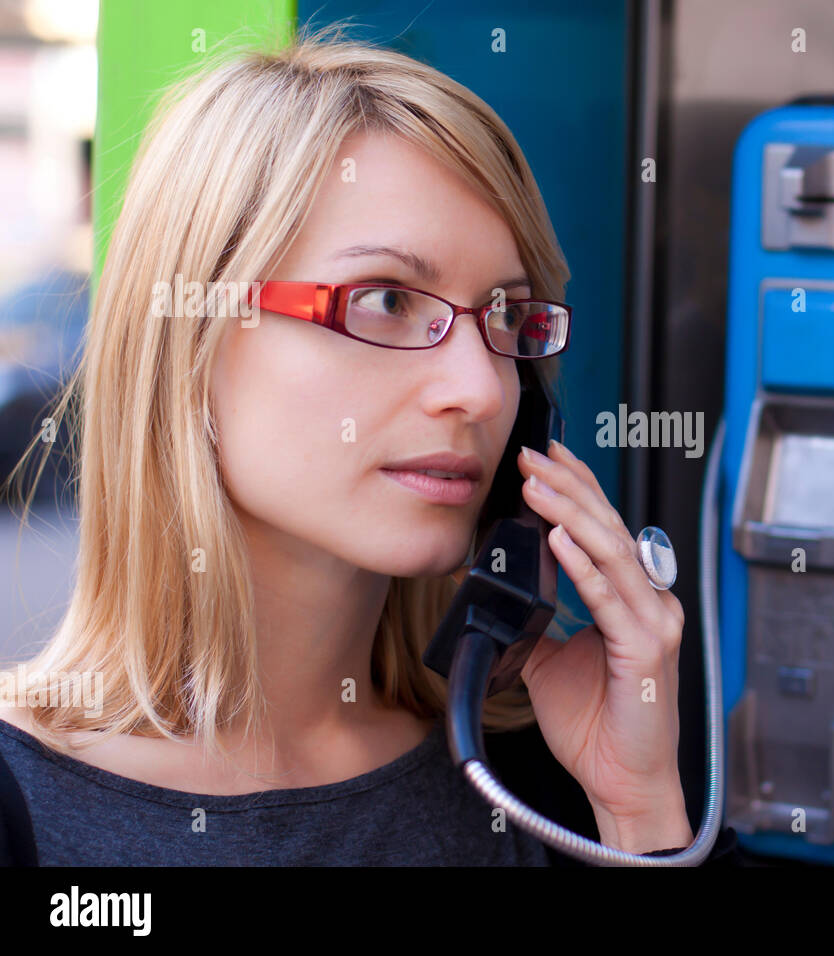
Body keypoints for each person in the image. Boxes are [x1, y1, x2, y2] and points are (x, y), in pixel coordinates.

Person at [0, 30, 738, 866]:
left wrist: (638, 810)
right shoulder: (25, 806)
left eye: (503, 317)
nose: (482, 389)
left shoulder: (537, 780)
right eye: (385, 298)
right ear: (191, 348)